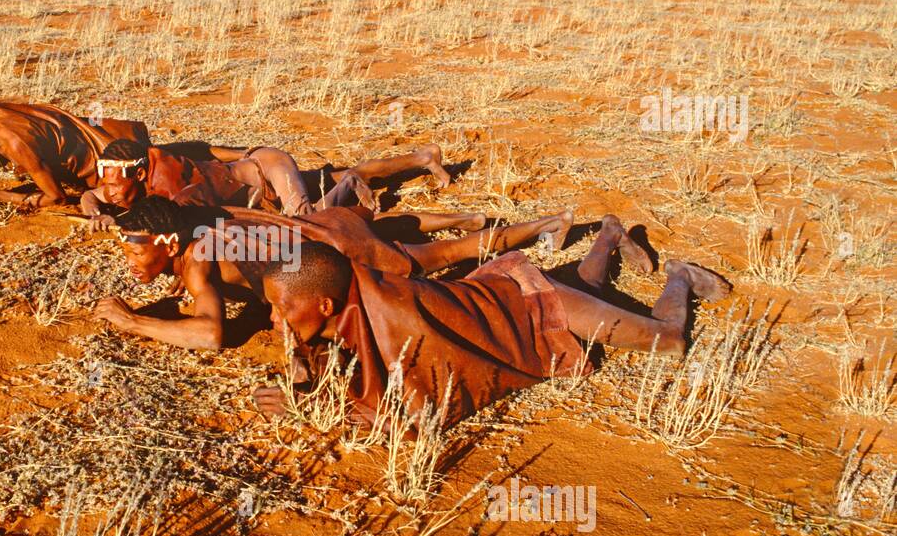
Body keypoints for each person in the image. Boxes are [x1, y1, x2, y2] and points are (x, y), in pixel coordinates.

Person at [249, 220, 729, 429]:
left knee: (667, 342)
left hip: (530, 308)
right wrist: (300, 387)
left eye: (282, 308)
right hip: (496, 297)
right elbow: (319, 373)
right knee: (594, 294)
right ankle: (608, 234)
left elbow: (419, 415)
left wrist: (310, 408)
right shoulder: (322, 311)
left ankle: (681, 277)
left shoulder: (389, 311)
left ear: (327, 307)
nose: (273, 319)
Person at [92, 195, 576, 351]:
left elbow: (213, 334)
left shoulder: (196, 257)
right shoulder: (192, 231)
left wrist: (133, 321)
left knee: (444, 257)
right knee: (425, 247)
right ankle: (505, 222)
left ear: (168, 244)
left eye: (136, 254)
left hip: (338, 255)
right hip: (322, 235)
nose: (130, 263)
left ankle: (546, 224)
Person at [0, 102, 242, 213]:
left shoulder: (12, 140)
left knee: (182, 168)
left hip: (102, 161)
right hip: (105, 140)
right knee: (173, 153)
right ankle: (242, 155)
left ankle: (246, 163)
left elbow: (56, 196)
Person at [80, 138, 453, 229]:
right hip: (258, 177)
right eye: (109, 187)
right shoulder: (122, 178)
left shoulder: (171, 182)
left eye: (115, 187)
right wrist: (96, 211)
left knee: (306, 224)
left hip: (269, 169)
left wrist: (119, 220)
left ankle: (353, 184)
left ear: (141, 175)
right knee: (335, 174)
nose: (111, 193)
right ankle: (423, 157)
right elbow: (88, 195)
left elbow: (178, 219)